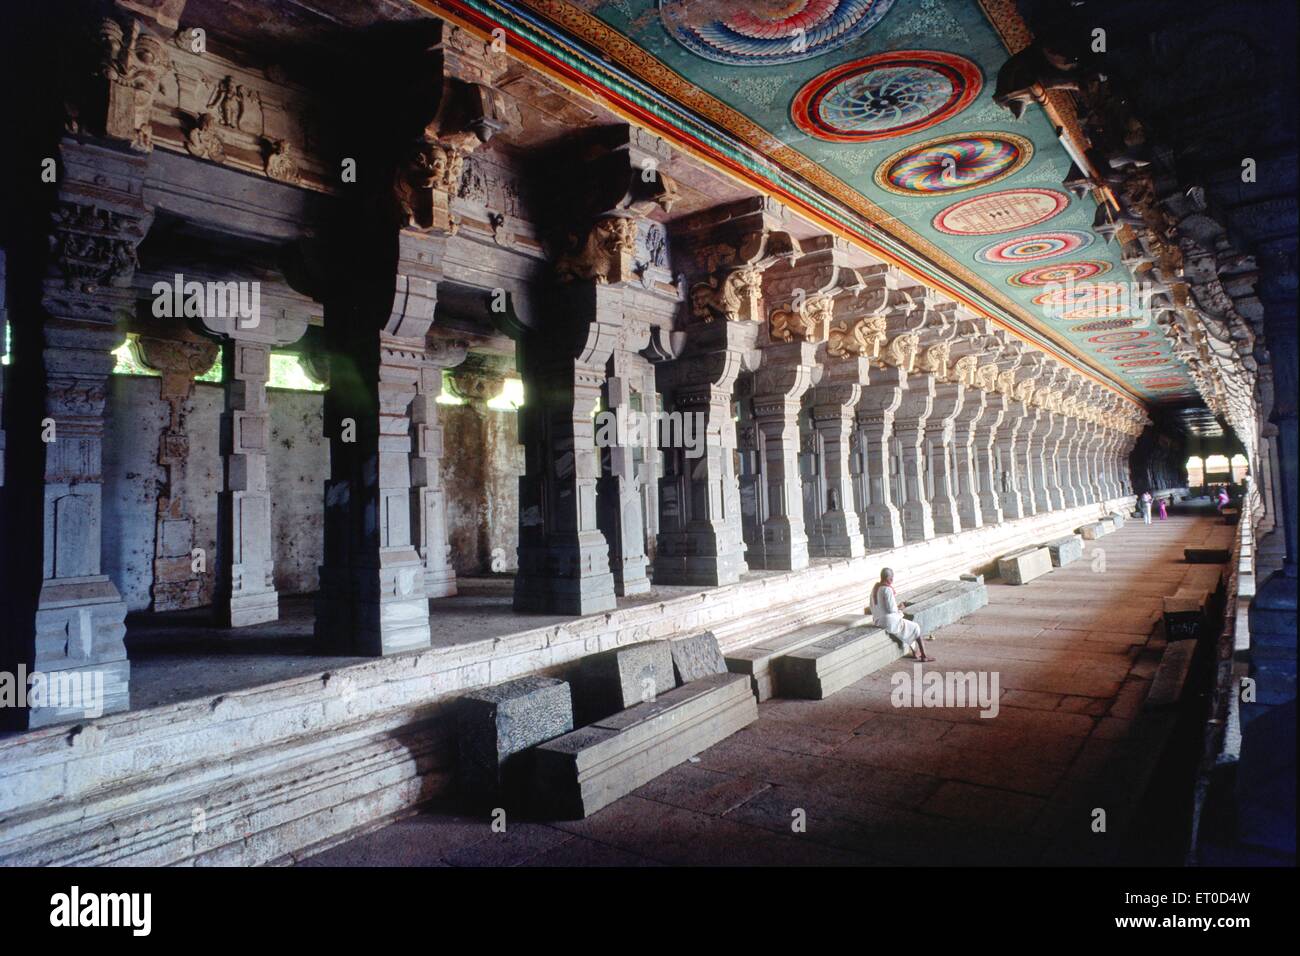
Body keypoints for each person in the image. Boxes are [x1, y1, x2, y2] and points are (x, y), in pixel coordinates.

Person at [870, 567, 931, 662]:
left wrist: (897, 609)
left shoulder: (875, 589)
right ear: (888, 579)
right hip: (888, 621)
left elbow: (874, 607)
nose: (892, 580)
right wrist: (900, 608)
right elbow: (891, 610)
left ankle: (915, 652)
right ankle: (924, 656)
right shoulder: (887, 590)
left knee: (908, 628)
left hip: (877, 620)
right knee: (915, 627)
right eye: (891, 578)